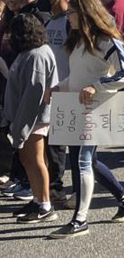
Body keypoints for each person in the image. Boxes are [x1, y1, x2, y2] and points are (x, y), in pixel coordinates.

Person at [49, 0, 124, 238]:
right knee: (88, 161)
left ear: (86, 13)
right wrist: (61, 86)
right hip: (78, 107)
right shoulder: (79, 41)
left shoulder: (108, 40)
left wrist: (97, 86)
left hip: (96, 109)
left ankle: (80, 220)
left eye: (72, 13)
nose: (68, 18)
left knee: (81, 162)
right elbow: (80, 76)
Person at [2, 14, 58, 223]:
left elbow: (33, 95)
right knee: (28, 160)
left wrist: (20, 127)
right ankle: (37, 199)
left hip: (32, 118)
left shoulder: (36, 55)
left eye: (11, 32)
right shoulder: (28, 53)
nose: (8, 36)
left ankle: (45, 205)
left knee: (35, 161)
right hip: (25, 117)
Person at [39, 0, 71, 205]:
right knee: (53, 142)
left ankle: (58, 188)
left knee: (61, 142)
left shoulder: (71, 22)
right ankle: (53, 185)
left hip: (68, 89)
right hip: (51, 89)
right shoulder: (50, 21)